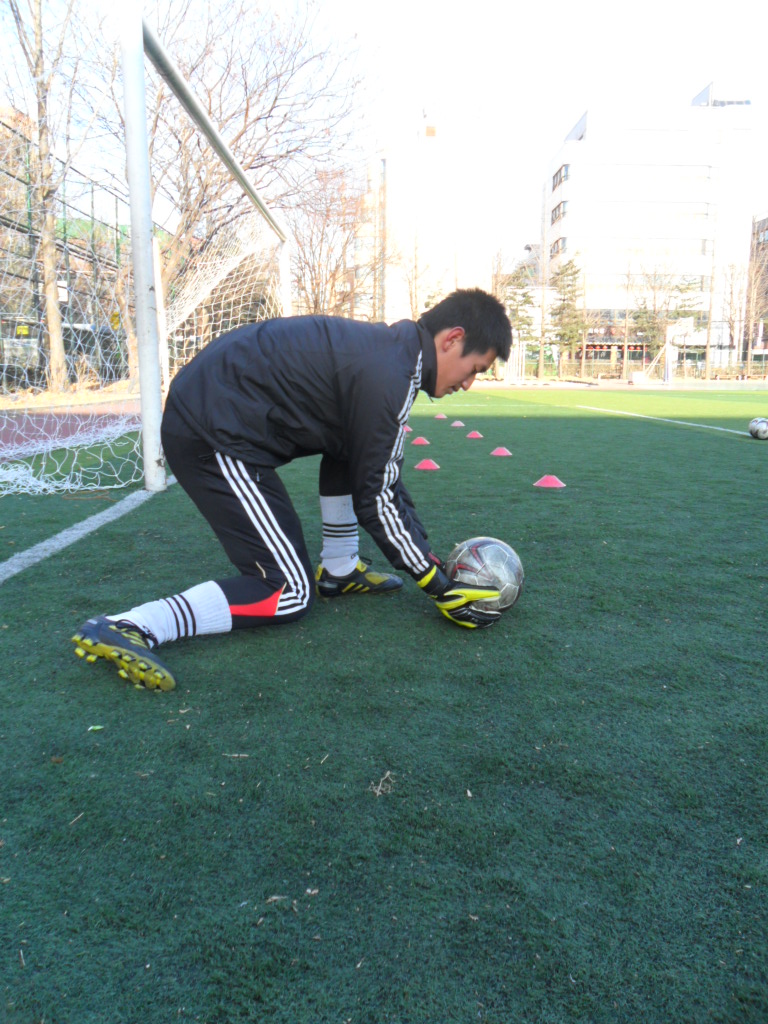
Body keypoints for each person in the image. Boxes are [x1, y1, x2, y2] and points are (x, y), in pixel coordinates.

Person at [72, 287, 512, 692]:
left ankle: (340, 570)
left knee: (347, 445)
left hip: (214, 413)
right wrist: (436, 583)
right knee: (286, 592)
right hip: (211, 435)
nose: (469, 383)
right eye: (475, 369)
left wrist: (426, 556)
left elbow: (379, 473)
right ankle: (134, 625)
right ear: (452, 339)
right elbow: (376, 497)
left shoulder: (394, 356)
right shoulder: (389, 372)